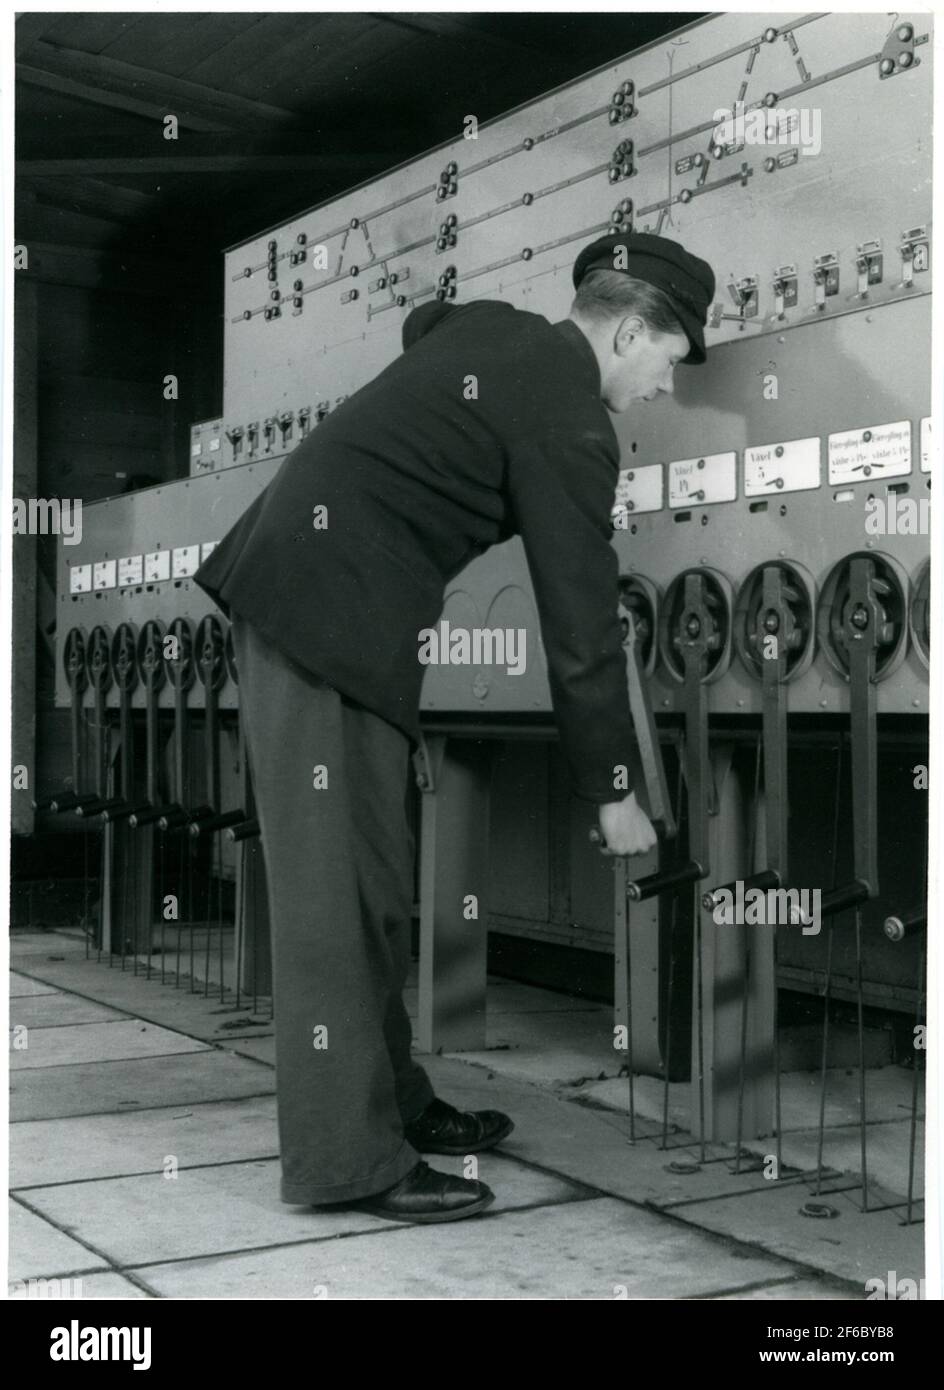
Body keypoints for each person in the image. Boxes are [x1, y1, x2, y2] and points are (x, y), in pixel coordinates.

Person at [194, 231, 716, 1223]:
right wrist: (614, 793)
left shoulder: (496, 329)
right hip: (321, 617)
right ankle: (347, 1162)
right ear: (628, 332)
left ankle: (394, 1105)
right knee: (336, 903)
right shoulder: (569, 420)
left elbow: (422, 322)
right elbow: (579, 626)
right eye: (667, 360)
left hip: (326, 610)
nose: (662, 387)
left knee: (374, 885)